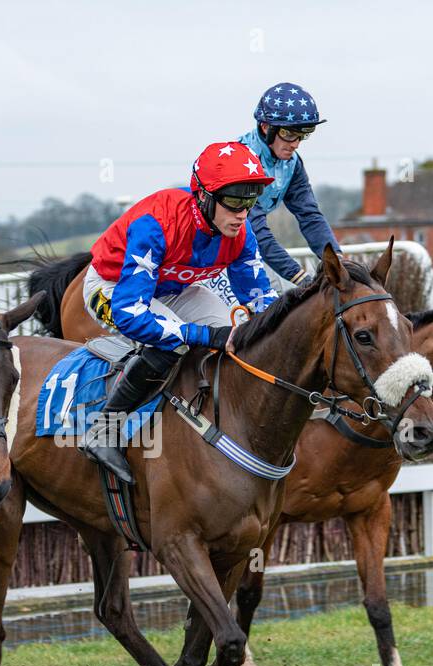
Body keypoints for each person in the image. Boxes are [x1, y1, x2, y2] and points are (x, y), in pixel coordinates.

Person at [80, 141, 278, 482]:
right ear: (203, 195)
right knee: (176, 340)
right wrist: (200, 334)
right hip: (114, 288)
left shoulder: (240, 234)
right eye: (233, 200)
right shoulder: (155, 224)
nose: (243, 213)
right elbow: (132, 314)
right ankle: (104, 429)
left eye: (250, 200)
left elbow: (263, 303)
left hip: (172, 289)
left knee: (238, 338)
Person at [239, 82, 340, 287]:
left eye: (302, 135)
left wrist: (338, 261)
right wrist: (299, 276)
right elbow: (257, 232)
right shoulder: (242, 161)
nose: (295, 143)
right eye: (289, 134)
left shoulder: (293, 163)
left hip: (244, 247)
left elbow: (309, 215)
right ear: (266, 127)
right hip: (212, 254)